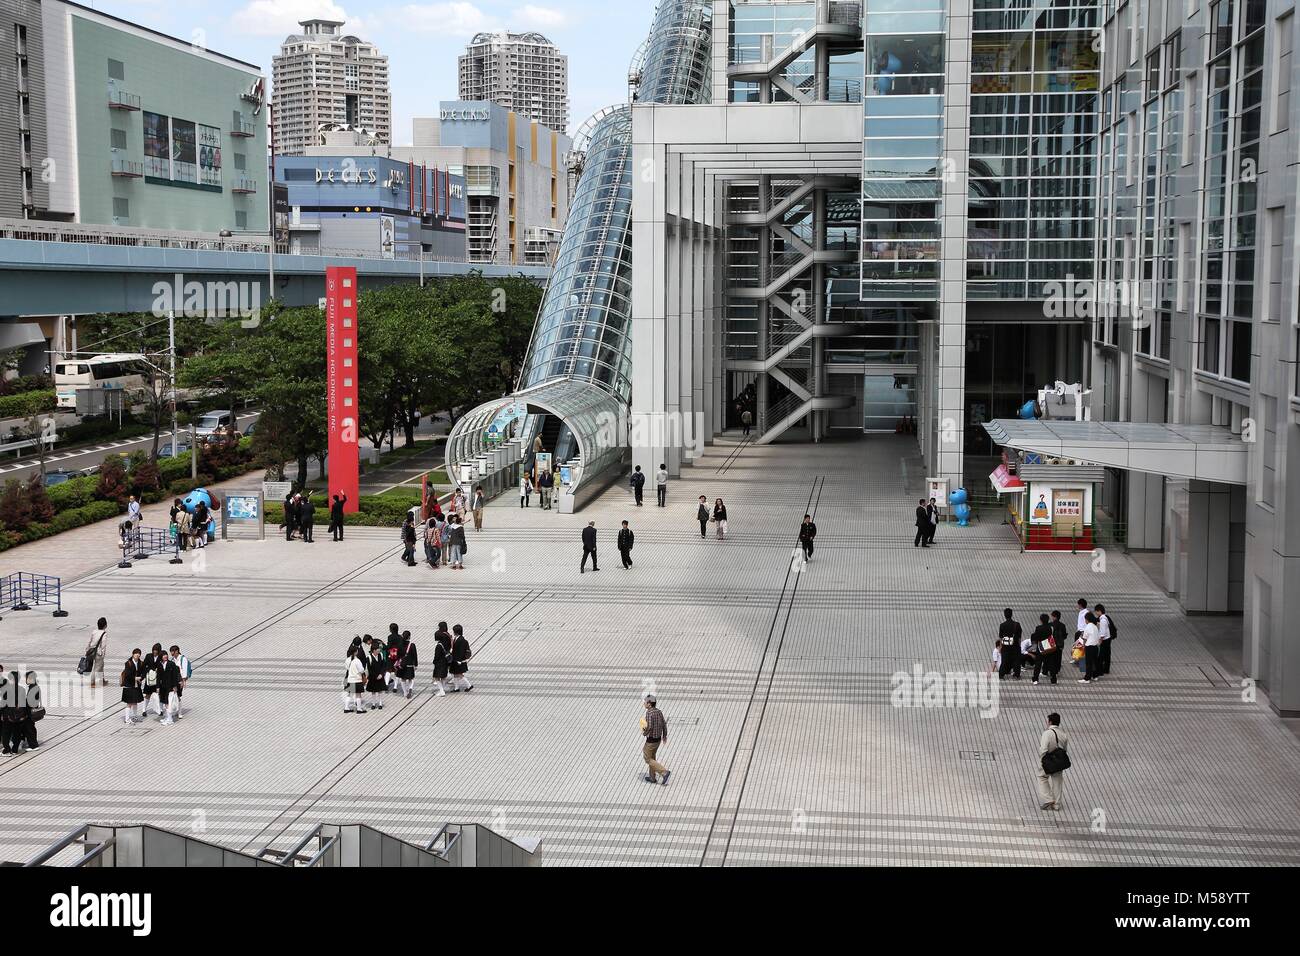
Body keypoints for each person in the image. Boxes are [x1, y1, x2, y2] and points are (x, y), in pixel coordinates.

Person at [1036, 713, 1069, 811]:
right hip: (1059, 761)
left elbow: (1043, 749)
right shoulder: (1063, 734)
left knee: (1041, 777)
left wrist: (1042, 760)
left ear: (1049, 722)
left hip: (1048, 760)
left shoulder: (1047, 733)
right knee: (1057, 781)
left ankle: (1048, 799)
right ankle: (1057, 804)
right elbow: (1065, 749)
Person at [640, 694, 671, 785]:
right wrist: (664, 736)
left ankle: (664, 772)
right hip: (658, 740)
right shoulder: (659, 712)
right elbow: (664, 724)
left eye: (645, 702)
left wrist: (644, 733)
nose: (644, 704)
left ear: (649, 704)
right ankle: (652, 777)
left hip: (651, 740)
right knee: (652, 757)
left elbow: (649, 727)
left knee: (647, 758)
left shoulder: (649, 713)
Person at [156, 649, 181, 726]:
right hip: (163, 687)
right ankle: (167, 717)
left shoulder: (171, 664)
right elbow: (158, 677)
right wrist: (158, 687)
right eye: (164, 655)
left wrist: (175, 686)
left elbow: (175, 676)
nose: (166, 656)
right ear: (161, 657)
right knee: (165, 702)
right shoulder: (160, 664)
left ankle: (170, 719)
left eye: (166, 654)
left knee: (168, 703)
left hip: (170, 686)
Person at [120, 649, 145, 724]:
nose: (138, 655)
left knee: (135, 701)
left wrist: (141, 678)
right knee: (129, 702)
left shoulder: (141, 663)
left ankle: (135, 716)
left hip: (137, 685)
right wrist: (135, 678)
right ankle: (127, 719)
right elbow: (127, 675)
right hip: (129, 685)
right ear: (133, 654)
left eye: (139, 654)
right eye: (136, 653)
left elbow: (143, 672)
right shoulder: (128, 663)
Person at [17, 671, 40, 752]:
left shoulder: (33, 688)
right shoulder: (34, 686)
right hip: (31, 711)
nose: (26, 680)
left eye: (26, 678)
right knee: (31, 728)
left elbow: (30, 702)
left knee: (29, 729)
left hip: (29, 712)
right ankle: (33, 744)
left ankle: (33, 745)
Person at [997, 608, 1023, 680]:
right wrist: (1019, 646)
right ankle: (1016, 675)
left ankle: (1001, 675)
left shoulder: (1002, 625)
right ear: (1011, 615)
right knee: (1016, 661)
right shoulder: (1017, 624)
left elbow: (1001, 637)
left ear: (1004, 615)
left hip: (1005, 646)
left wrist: (1001, 647)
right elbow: (1019, 637)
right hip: (1015, 646)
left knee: (1004, 660)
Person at [1029, 614, 1053, 685]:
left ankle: (1035, 679)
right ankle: (1053, 679)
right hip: (1048, 646)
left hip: (1040, 646)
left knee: (1038, 663)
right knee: (1049, 662)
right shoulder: (1050, 628)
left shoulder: (1038, 628)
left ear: (1041, 620)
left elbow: (1036, 637)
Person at [83, 618, 108, 689]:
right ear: (105, 625)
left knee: (101, 665)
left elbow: (89, 640)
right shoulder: (104, 634)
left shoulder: (94, 631)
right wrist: (103, 654)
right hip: (98, 653)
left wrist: (87, 649)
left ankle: (102, 680)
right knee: (96, 668)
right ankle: (92, 682)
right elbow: (103, 645)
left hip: (91, 651)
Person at [1, 670, 21, 755]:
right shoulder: (22, 689)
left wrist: (1, 713)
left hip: (8, 715)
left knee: (6, 733)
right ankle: (15, 749)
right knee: (16, 732)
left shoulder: (7, 690)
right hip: (17, 716)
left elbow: (4, 703)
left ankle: (7, 750)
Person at [1045, 610, 1068, 685]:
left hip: (1051, 644)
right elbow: (1064, 636)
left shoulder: (1050, 624)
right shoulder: (1063, 625)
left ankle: (1048, 670)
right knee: (1058, 657)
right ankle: (1057, 670)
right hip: (1059, 645)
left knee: (1050, 658)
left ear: (1054, 617)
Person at [449, 624, 474, 692]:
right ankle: (456, 688)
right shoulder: (457, 638)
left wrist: (458, 660)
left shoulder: (461, 640)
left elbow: (460, 651)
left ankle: (469, 685)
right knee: (455, 674)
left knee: (459, 674)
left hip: (458, 661)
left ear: (456, 632)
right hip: (456, 660)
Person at [1079, 611, 1101, 683]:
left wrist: (1083, 645)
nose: (1085, 621)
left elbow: (1085, 638)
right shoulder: (1095, 626)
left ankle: (1087, 678)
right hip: (1095, 647)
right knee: (1095, 662)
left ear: (1087, 619)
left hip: (1089, 647)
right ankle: (1095, 676)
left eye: (1085, 619)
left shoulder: (1088, 627)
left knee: (1088, 663)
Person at [169, 644, 191, 719]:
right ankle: (175, 710)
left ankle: (179, 712)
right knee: (173, 695)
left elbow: (184, 670)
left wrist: (183, 681)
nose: (172, 653)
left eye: (173, 651)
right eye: (171, 651)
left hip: (180, 680)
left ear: (177, 651)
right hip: (173, 680)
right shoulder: (172, 659)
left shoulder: (183, 659)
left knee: (178, 695)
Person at [345, 646, 367, 713]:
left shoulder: (348, 660)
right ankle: (359, 709)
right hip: (357, 679)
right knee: (358, 695)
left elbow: (347, 668)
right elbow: (361, 670)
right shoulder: (357, 660)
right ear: (355, 652)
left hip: (350, 679)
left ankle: (346, 708)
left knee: (349, 694)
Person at [397, 630, 418, 698]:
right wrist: (415, 664)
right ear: (409, 637)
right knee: (411, 679)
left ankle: (405, 692)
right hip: (410, 664)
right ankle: (410, 688)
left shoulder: (399, 645)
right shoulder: (412, 645)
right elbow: (415, 655)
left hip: (402, 665)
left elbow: (398, 655)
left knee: (403, 679)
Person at [1095, 603, 1114, 677]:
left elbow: (1102, 633)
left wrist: (1100, 642)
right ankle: (1106, 669)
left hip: (1104, 640)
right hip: (1108, 638)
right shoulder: (1105, 617)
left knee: (1101, 656)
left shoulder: (1102, 620)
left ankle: (1100, 671)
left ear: (1099, 611)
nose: (1096, 613)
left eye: (1096, 611)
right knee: (1107, 655)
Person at [430, 632, 450, 697]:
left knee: (437, 677)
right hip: (445, 662)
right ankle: (442, 689)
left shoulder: (439, 645)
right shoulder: (446, 643)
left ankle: (441, 691)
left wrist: (434, 661)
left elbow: (437, 656)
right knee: (443, 676)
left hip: (439, 663)